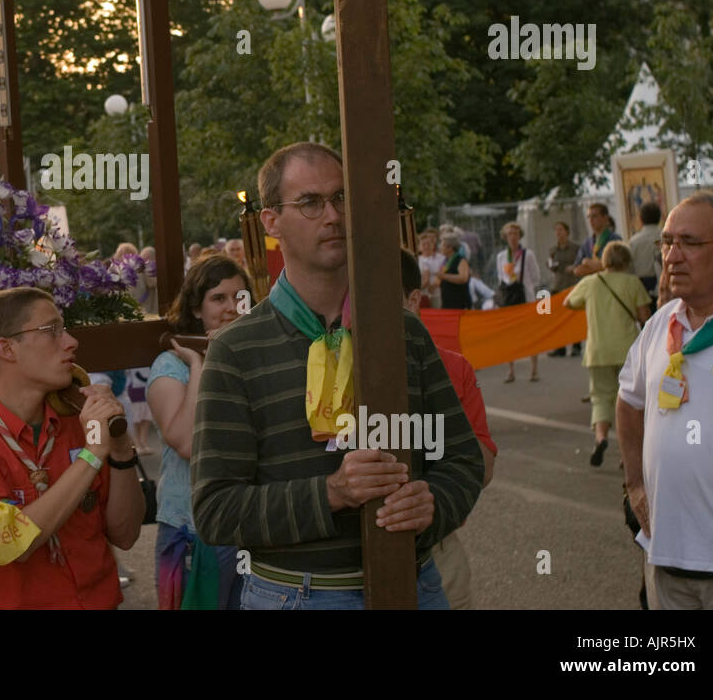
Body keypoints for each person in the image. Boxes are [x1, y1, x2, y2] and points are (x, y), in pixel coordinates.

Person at [193, 141, 483, 610]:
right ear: (271, 222)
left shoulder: (403, 331)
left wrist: (433, 504)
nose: (332, 215)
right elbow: (215, 511)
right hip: (298, 594)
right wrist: (331, 492)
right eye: (310, 202)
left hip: (415, 585)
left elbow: (463, 461)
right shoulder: (235, 350)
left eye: (341, 198)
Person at [0, 286, 144, 608]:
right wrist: (94, 452)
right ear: (7, 349)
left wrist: (122, 450)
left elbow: (125, 537)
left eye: (65, 328)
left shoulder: (77, 420)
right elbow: (13, 542)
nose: (71, 341)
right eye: (51, 330)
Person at [617, 193, 713, 609]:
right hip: (666, 554)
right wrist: (635, 483)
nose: (672, 256)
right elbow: (628, 401)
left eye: (689, 243)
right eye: (667, 242)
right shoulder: (661, 323)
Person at [147, 255, 249, 609]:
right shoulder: (172, 365)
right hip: (191, 532)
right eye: (219, 298)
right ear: (196, 307)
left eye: (240, 297)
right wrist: (199, 363)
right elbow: (188, 442)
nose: (232, 307)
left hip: (249, 527)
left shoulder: (252, 356)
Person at [401, 249, 497, 609]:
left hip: (438, 550)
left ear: (413, 300)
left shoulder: (453, 369)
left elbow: (483, 468)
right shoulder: (332, 366)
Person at [565, 242, 650, 467]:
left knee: (601, 398)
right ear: (627, 261)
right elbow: (645, 317)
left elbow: (568, 302)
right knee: (630, 401)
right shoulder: (633, 283)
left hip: (597, 351)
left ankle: (601, 438)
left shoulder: (590, 283)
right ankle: (627, 453)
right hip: (627, 351)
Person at [497, 222, 541, 383]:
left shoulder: (527, 254)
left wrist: (525, 285)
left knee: (530, 334)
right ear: (505, 236)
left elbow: (536, 277)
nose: (513, 237)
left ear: (520, 235)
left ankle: (534, 369)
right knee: (509, 336)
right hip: (509, 299)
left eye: (515, 233)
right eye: (510, 234)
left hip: (525, 298)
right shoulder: (501, 256)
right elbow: (500, 277)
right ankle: (511, 370)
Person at [547, 221, 583, 357]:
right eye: (556, 230)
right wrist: (551, 265)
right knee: (558, 319)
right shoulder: (553, 250)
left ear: (567, 232)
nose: (558, 233)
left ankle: (576, 346)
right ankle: (560, 347)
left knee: (574, 318)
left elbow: (580, 262)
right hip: (558, 286)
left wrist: (573, 267)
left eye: (561, 230)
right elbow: (550, 264)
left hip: (572, 285)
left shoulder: (575, 248)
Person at [628, 201, 663, 305]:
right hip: (663, 284)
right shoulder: (665, 236)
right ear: (659, 217)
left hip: (640, 285)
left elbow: (629, 266)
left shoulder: (634, 241)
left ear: (641, 219)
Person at [572, 202, 618, 278]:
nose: (591, 220)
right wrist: (600, 266)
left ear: (605, 217)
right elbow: (577, 270)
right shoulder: (586, 243)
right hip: (592, 285)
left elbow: (616, 266)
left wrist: (588, 263)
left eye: (594, 216)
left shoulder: (615, 240)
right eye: (589, 217)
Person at [434, 232, 472, 310]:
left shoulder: (460, 260)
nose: (440, 247)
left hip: (459, 303)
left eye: (442, 245)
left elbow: (463, 278)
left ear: (450, 248)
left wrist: (443, 276)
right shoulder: (446, 260)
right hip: (447, 303)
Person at [416, 229, 444, 307]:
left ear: (433, 244)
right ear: (419, 247)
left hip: (437, 293)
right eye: (423, 244)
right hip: (421, 295)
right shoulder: (417, 260)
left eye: (429, 243)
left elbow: (443, 273)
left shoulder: (441, 258)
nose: (426, 246)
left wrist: (434, 285)